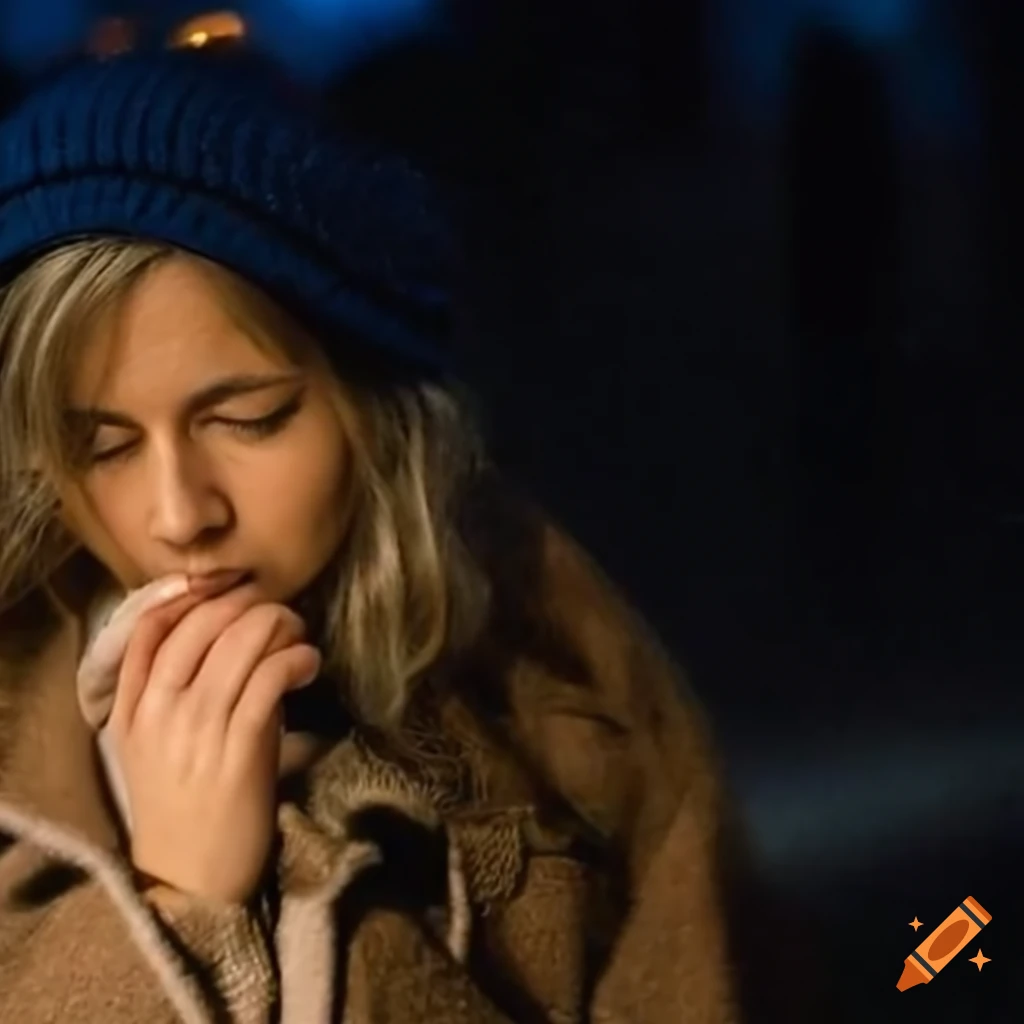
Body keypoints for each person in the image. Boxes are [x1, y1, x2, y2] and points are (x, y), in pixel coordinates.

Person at [0, 48, 738, 1023]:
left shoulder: (571, 700)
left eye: (249, 418)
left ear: (378, 412)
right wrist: (176, 904)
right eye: (103, 445)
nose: (179, 515)